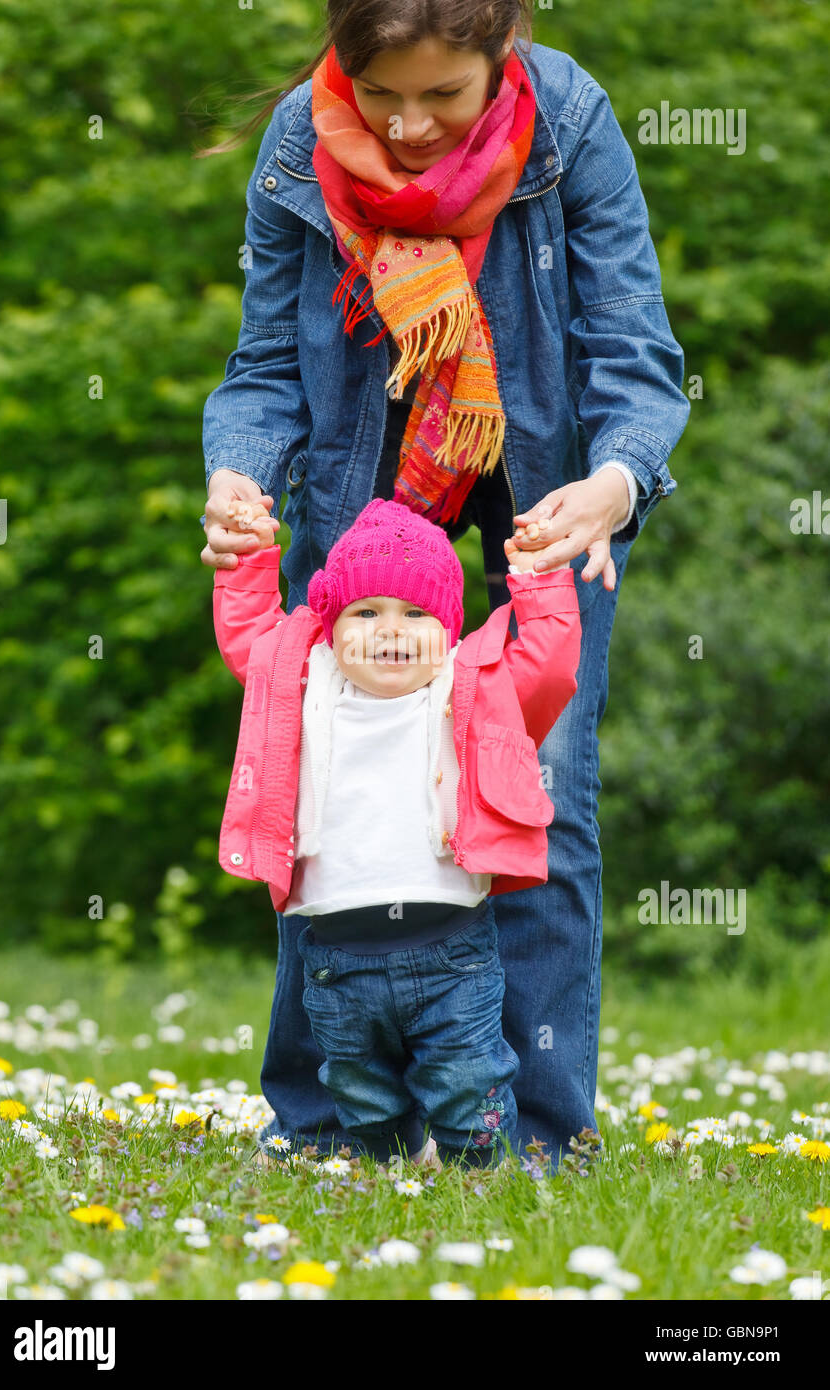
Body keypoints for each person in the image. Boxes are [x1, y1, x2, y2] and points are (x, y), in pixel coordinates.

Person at [198, 0, 690, 1171]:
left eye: (443, 97)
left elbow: (629, 341)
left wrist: (614, 482)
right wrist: (235, 476)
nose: (410, 125)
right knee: (313, 770)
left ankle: (531, 1132)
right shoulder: (296, 144)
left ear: (501, 54)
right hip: (359, 488)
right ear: (343, 68)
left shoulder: (566, 118)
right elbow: (265, 366)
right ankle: (326, 1126)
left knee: (543, 789)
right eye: (381, 97)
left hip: (542, 487)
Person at [211, 495, 581, 1166]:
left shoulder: (475, 688)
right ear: (331, 628)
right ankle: (393, 1170)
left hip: (453, 957)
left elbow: (552, 663)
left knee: (469, 1085)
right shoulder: (303, 686)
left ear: (448, 630)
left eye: (417, 614)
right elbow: (247, 632)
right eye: (366, 612)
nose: (392, 631)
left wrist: (542, 575)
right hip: (336, 961)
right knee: (362, 1099)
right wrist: (249, 557)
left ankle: (482, 1175)